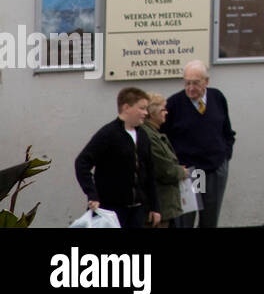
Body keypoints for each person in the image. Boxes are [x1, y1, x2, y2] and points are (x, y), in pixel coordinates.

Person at [74, 87, 161, 228]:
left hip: (137, 209)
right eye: (142, 108)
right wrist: (92, 194)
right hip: (111, 209)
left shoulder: (143, 136)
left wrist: (155, 206)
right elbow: (82, 163)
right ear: (126, 107)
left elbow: (150, 172)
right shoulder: (108, 134)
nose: (146, 113)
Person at [164, 60, 235, 227]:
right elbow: (163, 140)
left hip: (214, 168)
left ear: (206, 82)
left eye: (195, 83)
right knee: (186, 219)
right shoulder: (174, 104)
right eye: (187, 83)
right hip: (191, 171)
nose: (190, 88)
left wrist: (226, 155)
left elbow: (227, 131)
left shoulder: (217, 97)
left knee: (210, 218)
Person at [141, 93, 187, 227]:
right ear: (152, 113)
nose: (166, 113)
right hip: (160, 206)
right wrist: (181, 172)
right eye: (163, 109)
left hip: (164, 206)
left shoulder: (153, 133)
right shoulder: (149, 136)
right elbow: (164, 170)